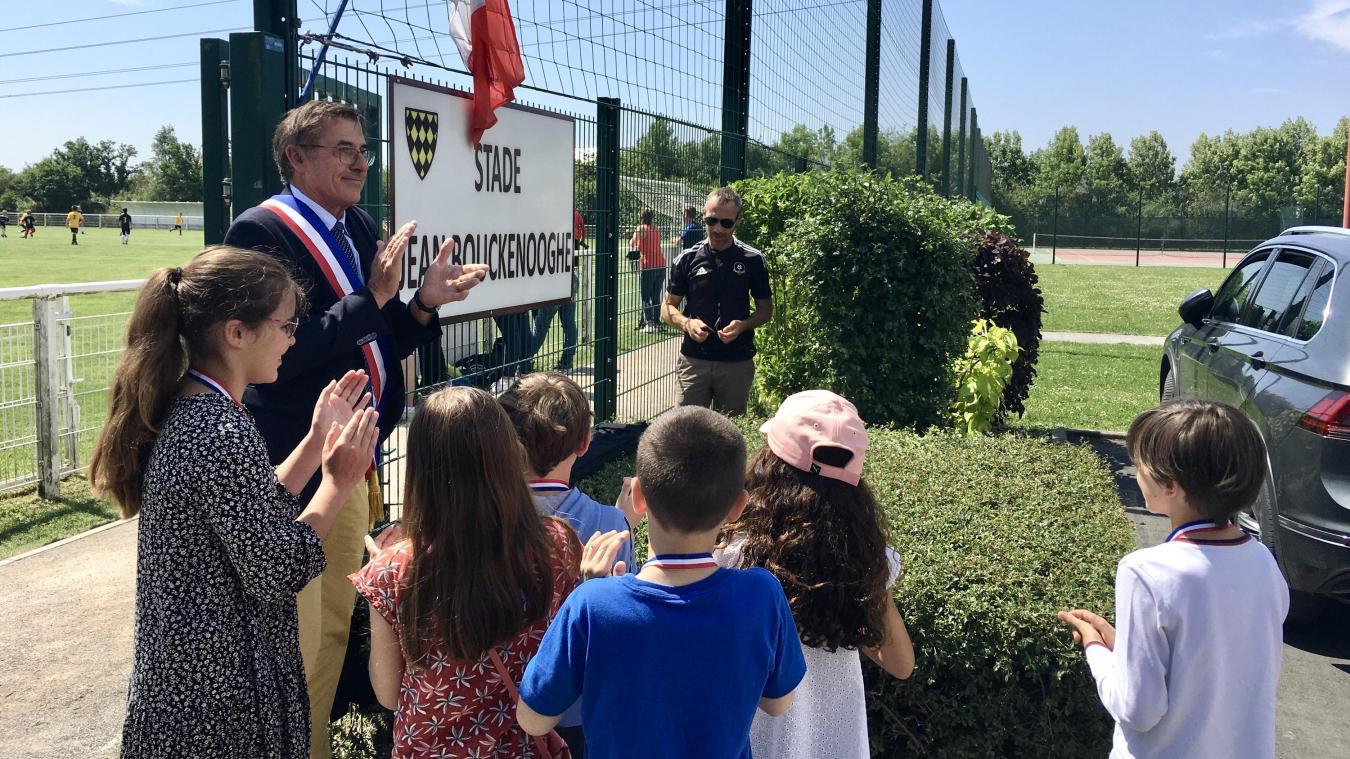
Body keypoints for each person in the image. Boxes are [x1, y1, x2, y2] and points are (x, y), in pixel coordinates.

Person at [223, 99, 490, 759]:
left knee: (336, 630)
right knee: (302, 636)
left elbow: (378, 334)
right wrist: (369, 298)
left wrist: (422, 302)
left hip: (351, 458)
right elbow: (275, 363)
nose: (361, 162)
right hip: (294, 465)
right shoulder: (261, 232)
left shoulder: (360, 225)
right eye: (343, 148)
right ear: (297, 156)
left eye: (364, 149)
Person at [88, 247, 380, 758]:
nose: (293, 339)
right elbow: (276, 567)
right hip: (217, 695)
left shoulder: (199, 407)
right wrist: (336, 484)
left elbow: (248, 511)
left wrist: (314, 443)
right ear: (236, 332)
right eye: (286, 325)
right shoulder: (218, 427)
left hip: (191, 681)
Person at [517, 406, 808, 759]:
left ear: (637, 497)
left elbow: (533, 719)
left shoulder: (592, 605)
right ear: (737, 506)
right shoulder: (762, 595)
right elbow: (777, 704)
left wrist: (589, 589)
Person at [350, 386, 624, 758]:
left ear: (420, 467)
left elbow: (387, 694)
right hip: (525, 744)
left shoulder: (391, 569)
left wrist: (383, 570)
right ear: (509, 454)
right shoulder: (558, 544)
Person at [1057, 401, 1289, 759]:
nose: (1137, 473)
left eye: (1141, 466)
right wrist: (1126, 646)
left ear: (1172, 486)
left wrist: (1096, 650)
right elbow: (1214, 663)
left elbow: (1138, 710)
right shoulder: (1263, 563)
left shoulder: (1145, 572)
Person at [715, 390, 914, 759]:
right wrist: (870, 581)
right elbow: (901, 665)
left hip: (758, 741)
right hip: (838, 742)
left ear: (769, 461)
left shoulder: (734, 554)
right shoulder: (864, 560)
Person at [662, 187, 773, 416]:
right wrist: (687, 324)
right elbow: (667, 307)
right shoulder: (687, 258)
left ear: (738, 220)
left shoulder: (753, 259)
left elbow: (765, 310)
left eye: (726, 223)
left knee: (730, 433)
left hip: (736, 362)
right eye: (711, 220)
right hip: (694, 361)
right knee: (685, 431)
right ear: (704, 215)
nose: (717, 229)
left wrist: (742, 325)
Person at [530, 211, 584, 371]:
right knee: (568, 323)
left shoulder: (547, 233)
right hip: (570, 278)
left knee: (540, 326)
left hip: (554, 282)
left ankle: (524, 362)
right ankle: (567, 360)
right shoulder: (568, 227)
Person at [630, 207, 666, 333]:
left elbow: (632, 242)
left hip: (648, 265)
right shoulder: (656, 229)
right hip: (661, 264)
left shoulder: (641, 228)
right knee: (656, 296)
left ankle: (649, 323)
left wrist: (634, 232)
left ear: (641, 216)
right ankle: (657, 322)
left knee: (645, 296)